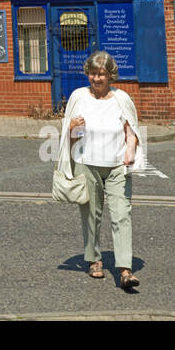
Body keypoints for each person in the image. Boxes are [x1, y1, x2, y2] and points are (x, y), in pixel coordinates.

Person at [57, 50, 143, 289]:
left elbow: (131, 130)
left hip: (117, 166)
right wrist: (72, 127)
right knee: (91, 216)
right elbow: (69, 138)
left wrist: (130, 152)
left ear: (110, 75)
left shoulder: (121, 98)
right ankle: (94, 260)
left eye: (102, 74)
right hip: (88, 163)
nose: (96, 79)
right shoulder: (78, 97)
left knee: (121, 215)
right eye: (93, 74)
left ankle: (125, 268)